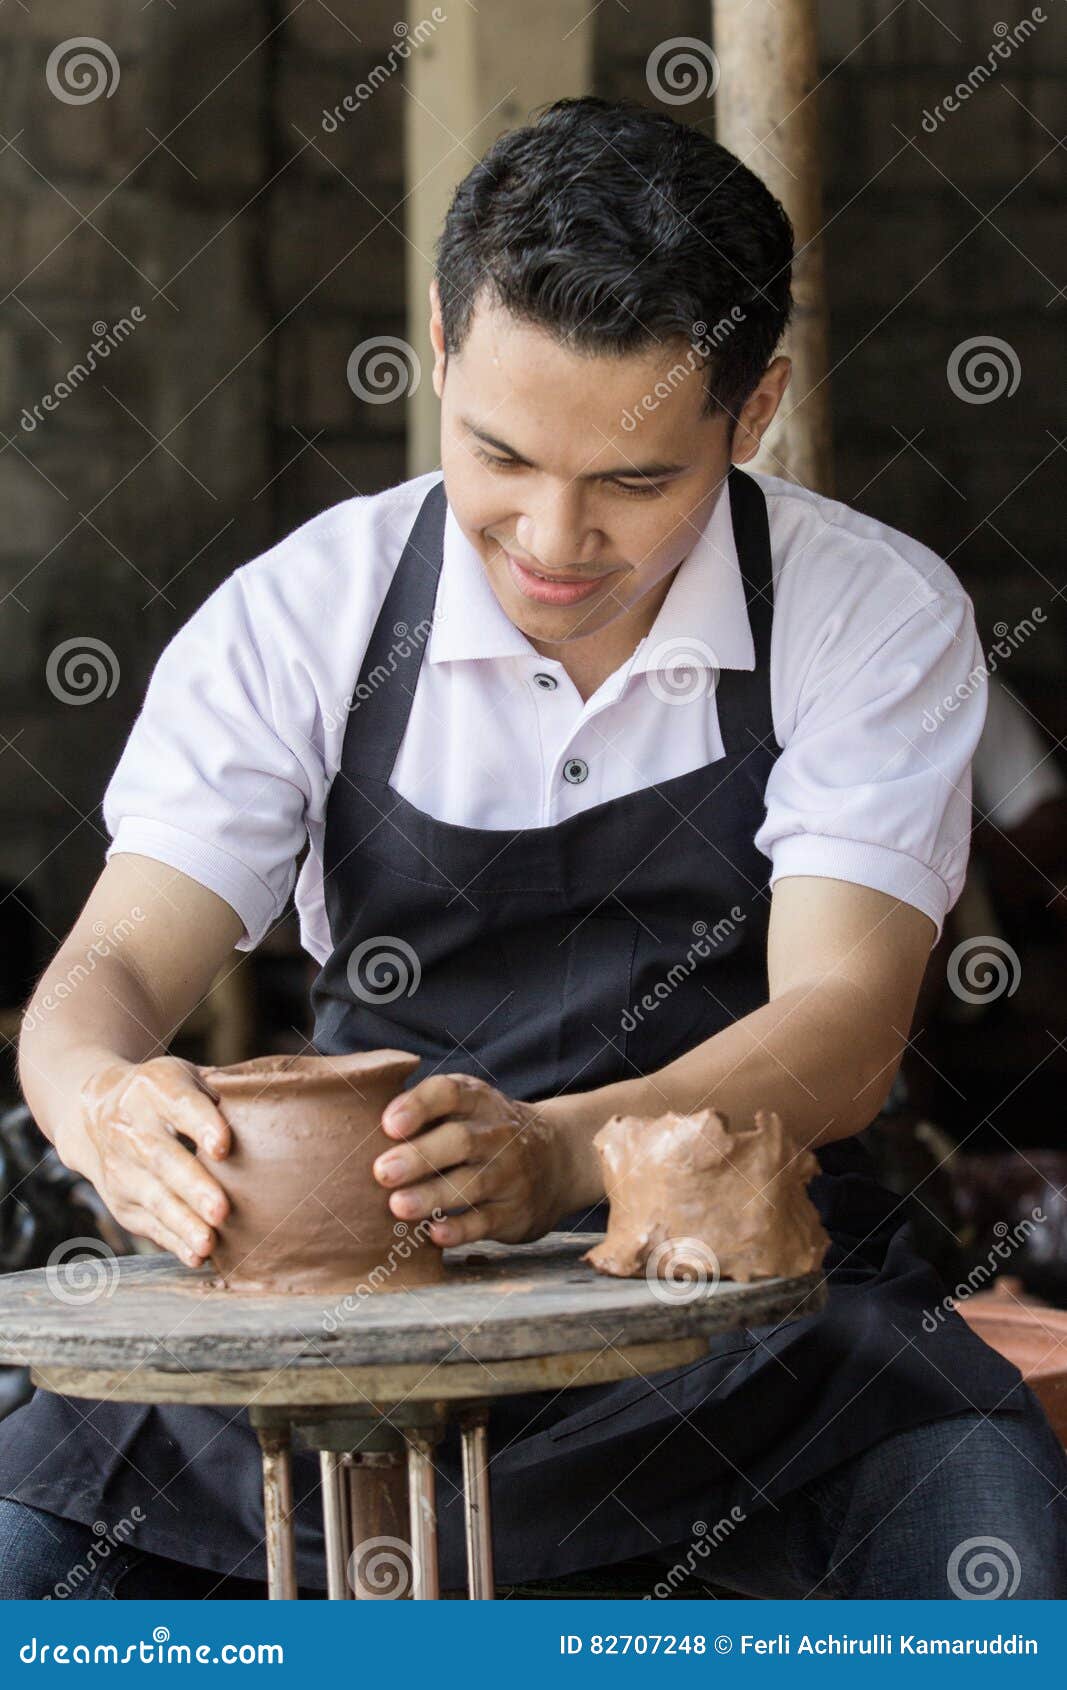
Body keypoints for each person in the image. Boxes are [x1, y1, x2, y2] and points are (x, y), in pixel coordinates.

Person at [3, 97, 1065, 1601]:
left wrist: (564, 1150)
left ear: (752, 412)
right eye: (500, 456)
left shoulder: (863, 616)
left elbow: (845, 1032)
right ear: (439, 348)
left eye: (635, 481)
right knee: (31, 1556)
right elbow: (105, 966)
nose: (554, 540)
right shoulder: (306, 617)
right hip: (351, 1328)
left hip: (745, 1323)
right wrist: (102, 1101)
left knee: (985, 1537)